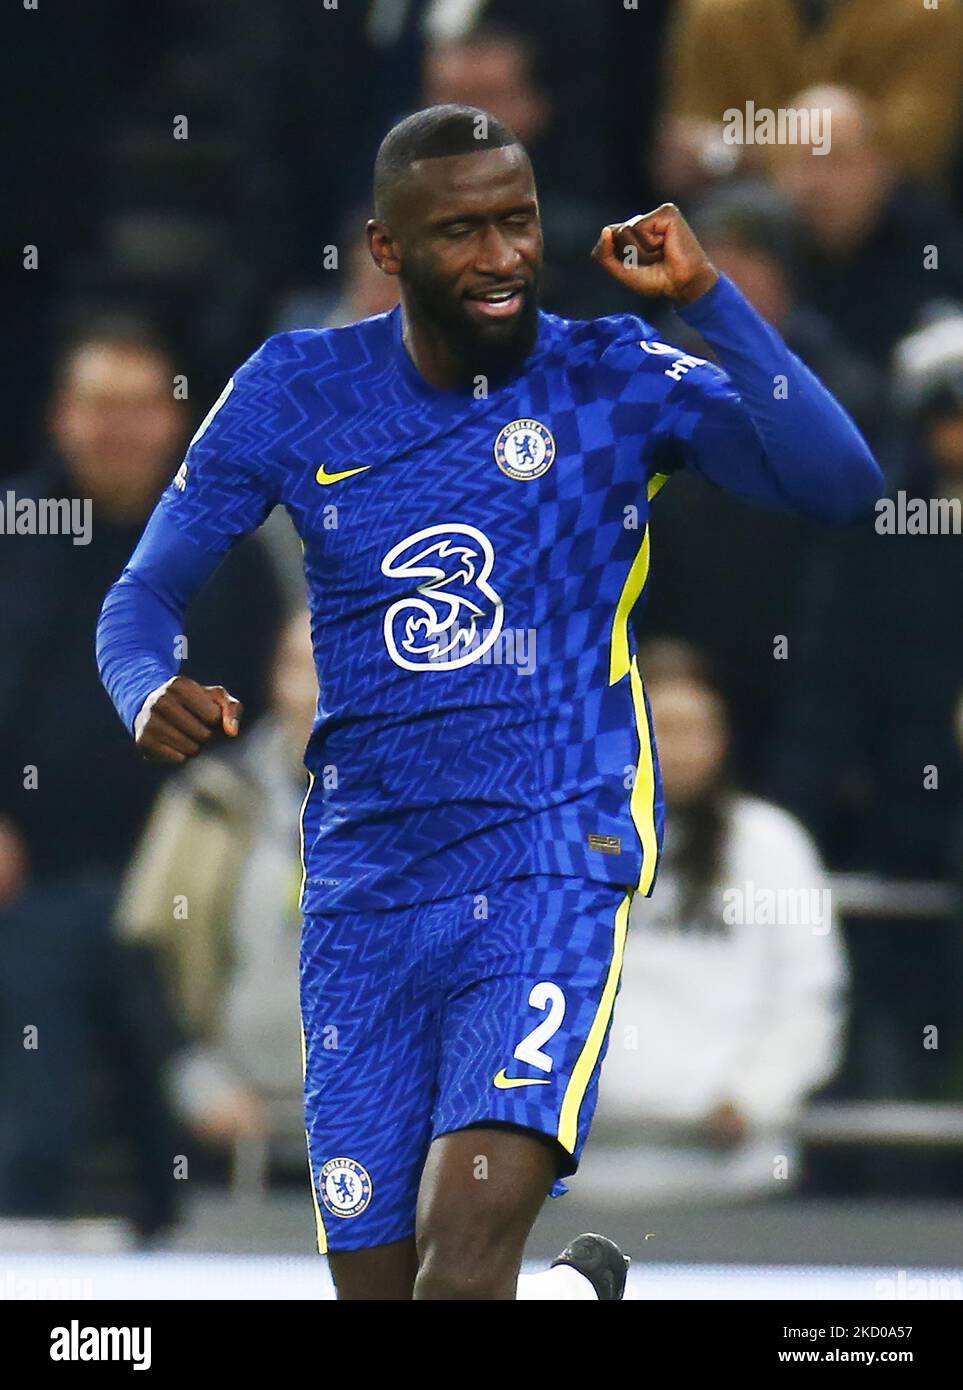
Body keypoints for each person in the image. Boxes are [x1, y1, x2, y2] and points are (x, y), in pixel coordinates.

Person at [96, 105, 882, 1301]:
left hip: (552, 849)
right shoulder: (296, 389)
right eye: (460, 230)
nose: (502, 254)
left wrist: (713, 303)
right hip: (365, 877)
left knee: (461, 1268)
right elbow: (143, 594)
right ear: (387, 248)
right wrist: (147, 685)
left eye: (516, 221)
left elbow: (844, 486)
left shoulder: (613, 374)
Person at [589, 641, 846, 1204]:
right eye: (663, 726)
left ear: (722, 738)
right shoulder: (574, 841)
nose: (679, 748)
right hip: (589, 1168)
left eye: (695, 728)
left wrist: (754, 1098)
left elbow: (809, 996)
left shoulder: (771, 843)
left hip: (732, 1172)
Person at [115, 610, 317, 1159]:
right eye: (301, 667)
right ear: (277, 678)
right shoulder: (212, 799)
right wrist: (195, 1081)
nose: (315, 691)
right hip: (235, 1126)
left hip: (380, 1130)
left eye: (336, 667)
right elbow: (142, 954)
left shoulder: (422, 810)